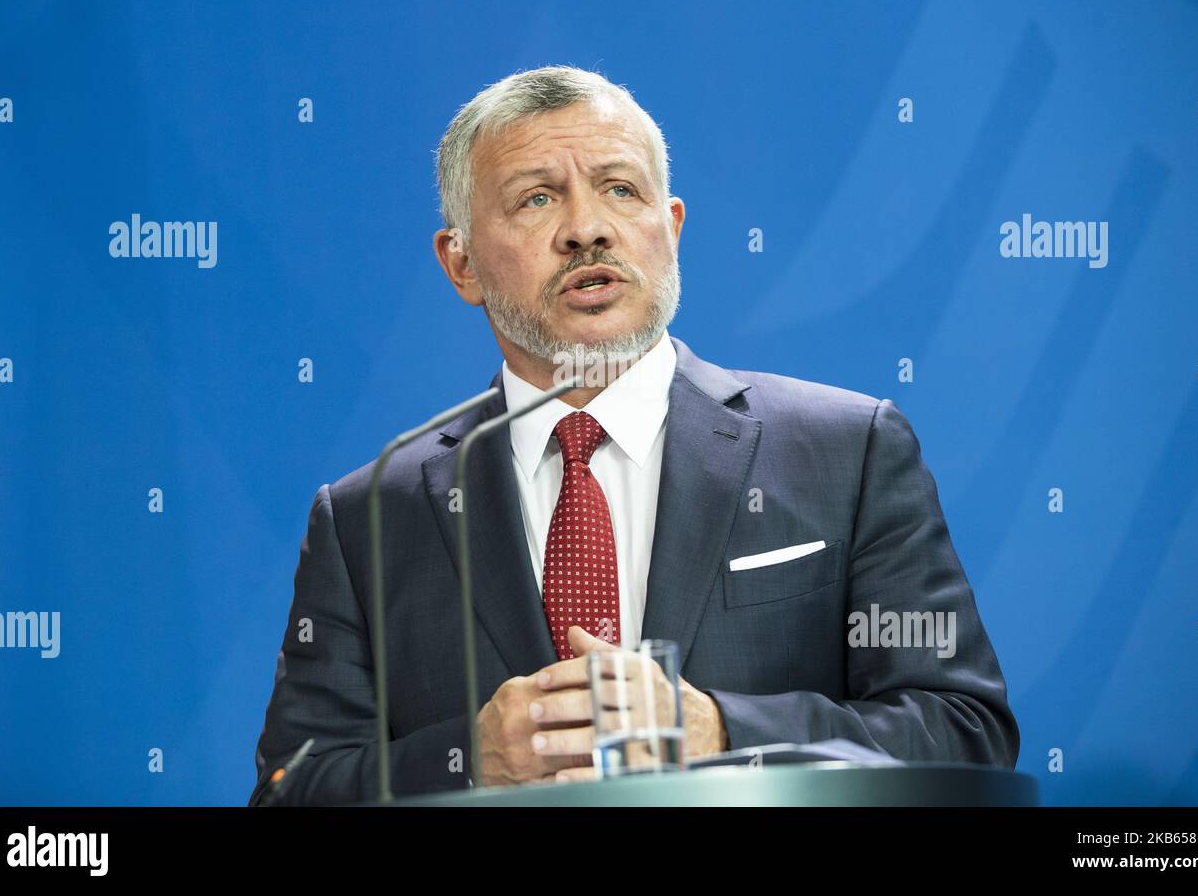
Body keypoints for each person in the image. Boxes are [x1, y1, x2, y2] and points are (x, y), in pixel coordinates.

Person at [248, 65, 1019, 804]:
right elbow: (290, 791)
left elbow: (965, 733)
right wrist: (468, 759)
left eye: (620, 189)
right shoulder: (368, 519)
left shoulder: (846, 453)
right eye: (537, 199)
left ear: (670, 227)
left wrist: (719, 730)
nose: (588, 229)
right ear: (461, 264)